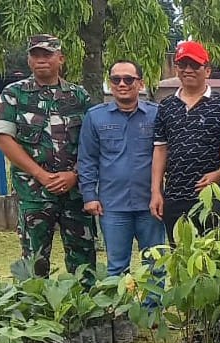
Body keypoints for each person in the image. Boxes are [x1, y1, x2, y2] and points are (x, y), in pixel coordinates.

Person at [0, 34, 95, 278]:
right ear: (29, 60)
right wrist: (41, 174)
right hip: (34, 193)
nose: (41, 60)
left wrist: (75, 175)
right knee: (34, 261)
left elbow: (92, 142)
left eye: (47, 54)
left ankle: (89, 314)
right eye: (35, 55)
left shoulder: (78, 96)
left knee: (84, 259)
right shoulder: (14, 94)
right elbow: (3, 138)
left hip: (75, 193)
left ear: (61, 59)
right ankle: (35, 313)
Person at [77, 60, 166, 277]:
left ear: (141, 84)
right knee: (116, 267)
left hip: (151, 204)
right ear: (110, 83)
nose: (122, 84)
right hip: (112, 206)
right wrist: (89, 195)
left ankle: (152, 311)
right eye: (116, 79)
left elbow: (166, 154)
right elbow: (87, 159)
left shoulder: (158, 114)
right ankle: (120, 312)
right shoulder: (95, 116)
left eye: (129, 79)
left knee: (156, 266)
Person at [150, 40, 220, 243]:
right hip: (176, 196)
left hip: (214, 196)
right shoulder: (166, 106)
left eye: (194, 65)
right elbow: (160, 151)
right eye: (182, 65)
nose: (188, 70)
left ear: (208, 71)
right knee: (181, 259)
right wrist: (156, 192)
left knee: (216, 258)